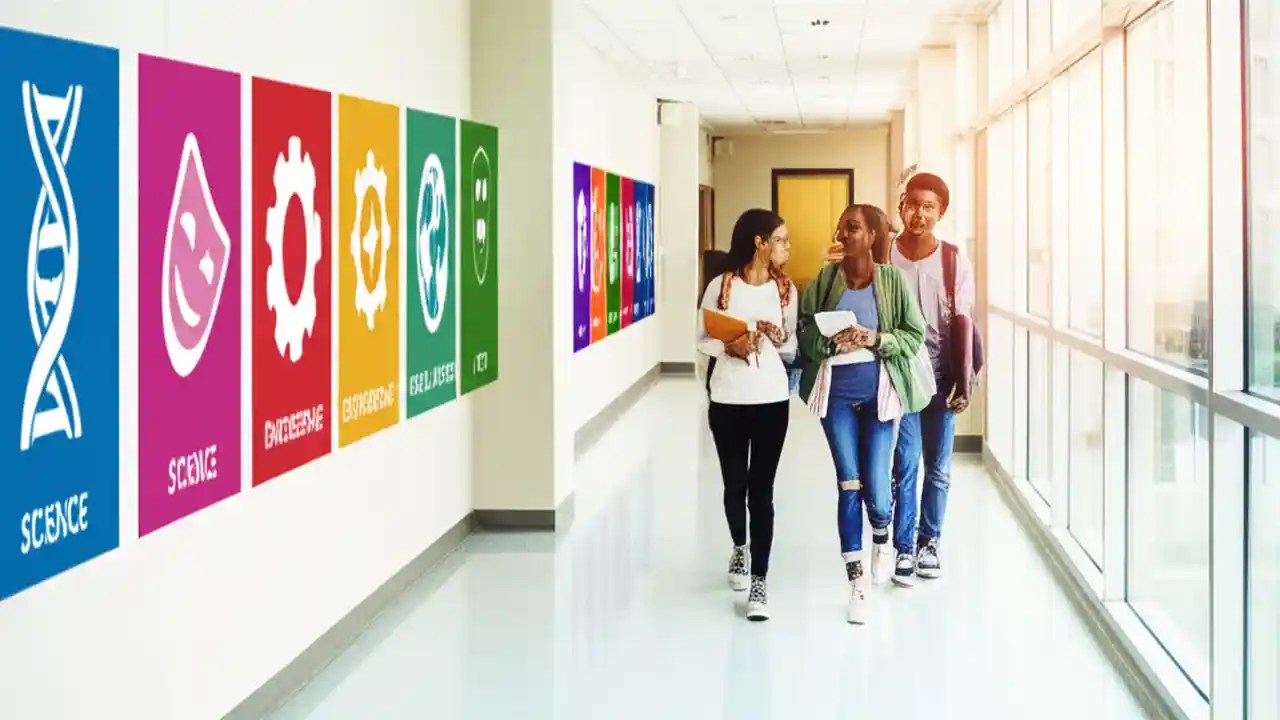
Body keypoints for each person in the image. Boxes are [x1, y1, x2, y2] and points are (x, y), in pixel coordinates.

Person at [796, 203, 930, 624]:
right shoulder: (824, 281)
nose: (843, 235)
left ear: (872, 236)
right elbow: (805, 331)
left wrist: (874, 338)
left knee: (877, 483)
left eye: (852, 228)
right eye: (840, 228)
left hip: (879, 398)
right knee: (848, 482)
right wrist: (832, 344)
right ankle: (856, 583)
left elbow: (913, 335)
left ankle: (882, 537)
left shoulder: (891, 281)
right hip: (836, 397)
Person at [697, 208, 798, 622]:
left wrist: (776, 336)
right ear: (759, 242)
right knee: (734, 485)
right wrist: (730, 346)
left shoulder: (785, 290)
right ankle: (740, 546)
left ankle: (760, 579)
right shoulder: (721, 285)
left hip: (771, 399)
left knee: (762, 492)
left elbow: (791, 347)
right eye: (781, 240)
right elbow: (703, 338)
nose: (787, 248)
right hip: (727, 399)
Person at [887, 172, 976, 583]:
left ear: (941, 213)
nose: (918, 213)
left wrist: (965, 378)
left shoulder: (953, 259)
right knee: (905, 463)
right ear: (901, 204)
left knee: (937, 466)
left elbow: (963, 320)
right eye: (912, 204)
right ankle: (904, 547)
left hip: (940, 374)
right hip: (901, 372)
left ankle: (929, 541)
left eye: (929, 207)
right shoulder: (885, 252)